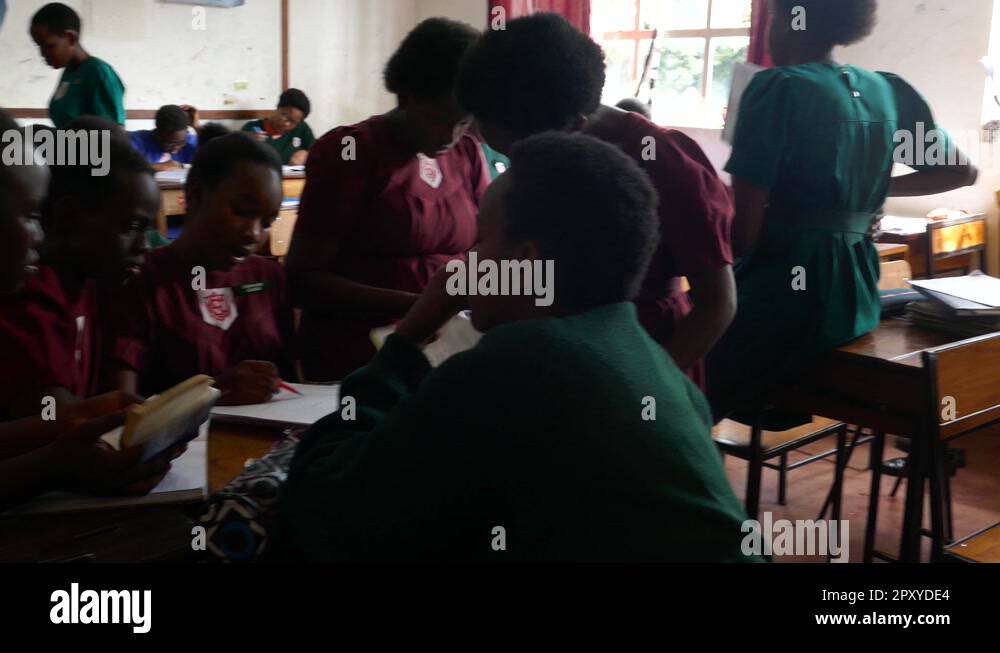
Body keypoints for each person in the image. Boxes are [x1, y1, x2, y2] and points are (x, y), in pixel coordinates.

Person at [278, 133, 757, 562]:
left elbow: (330, 504)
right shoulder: (649, 357)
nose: (466, 260)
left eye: (481, 238)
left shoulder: (520, 362)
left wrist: (407, 337)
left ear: (526, 263)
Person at [706, 0, 978, 423]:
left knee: (684, 360)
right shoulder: (886, 90)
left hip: (787, 292)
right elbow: (960, 170)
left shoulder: (778, 87)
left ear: (789, 21)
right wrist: (861, 185)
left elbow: (743, 237)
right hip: (855, 296)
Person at [457, 14, 736, 389]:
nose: (520, 160)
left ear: (573, 126)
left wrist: (646, 384)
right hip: (553, 351)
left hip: (645, 353)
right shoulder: (532, 135)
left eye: (521, 146)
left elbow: (717, 304)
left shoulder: (665, 162)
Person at [286, 18, 489, 381]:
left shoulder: (468, 154)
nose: (450, 135)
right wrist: (422, 306)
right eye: (437, 119)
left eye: (463, 122)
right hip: (361, 351)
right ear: (405, 95)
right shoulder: (349, 152)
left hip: (448, 343)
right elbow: (305, 280)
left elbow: (486, 246)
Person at [0, 109, 181, 509]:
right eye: (32, 215)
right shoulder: (31, 298)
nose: (40, 234)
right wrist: (56, 460)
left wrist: (82, 420)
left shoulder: (93, 287)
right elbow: (54, 430)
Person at [110, 133, 292, 405]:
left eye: (267, 221)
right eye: (242, 211)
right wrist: (209, 395)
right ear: (195, 195)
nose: (254, 233)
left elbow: (291, 382)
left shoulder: (267, 277)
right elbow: (120, 408)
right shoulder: (143, 279)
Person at [0, 118, 158, 420]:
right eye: (133, 226)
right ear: (70, 217)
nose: (145, 246)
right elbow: (52, 420)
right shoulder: (27, 301)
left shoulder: (92, 285)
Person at [30, 2, 126, 129]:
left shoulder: (98, 72)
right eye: (39, 46)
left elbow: (114, 138)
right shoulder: (69, 73)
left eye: (49, 46)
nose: (42, 53)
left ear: (71, 38)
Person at [241, 89, 315, 165]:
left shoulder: (302, 129)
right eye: (285, 115)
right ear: (278, 107)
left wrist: (306, 155)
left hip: (294, 177)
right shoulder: (252, 128)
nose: (286, 124)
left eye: (293, 122)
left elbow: (318, 155)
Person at [129, 104, 199, 170]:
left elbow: (209, 158)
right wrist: (157, 167)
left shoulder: (189, 141)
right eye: (170, 143)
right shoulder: (137, 141)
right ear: (157, 134)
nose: (175, 150)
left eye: (181, 142)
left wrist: (197, 127)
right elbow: (122, 166)